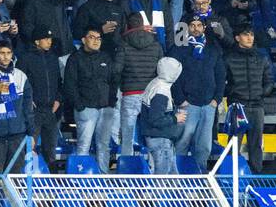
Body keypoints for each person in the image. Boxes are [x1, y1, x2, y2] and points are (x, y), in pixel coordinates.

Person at [167, 13, 224, 170]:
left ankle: (199, 178)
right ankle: (176, 178)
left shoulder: (213, 49)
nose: (196, 28)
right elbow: (172, 76)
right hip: (187, 104)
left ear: (204, 28)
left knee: (204, 146)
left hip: (208, 105)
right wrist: (180, 100)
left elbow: (221, 75)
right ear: (187, 28)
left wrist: (216, 100)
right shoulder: (178, 49)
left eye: (199, 26)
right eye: (192, 25)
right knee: (182, 142)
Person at [63, 27, 119, 172]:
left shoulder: (105, 57)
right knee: (84, 145)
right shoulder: (75, 58)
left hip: (106, 108)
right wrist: (79, 105)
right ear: (83, 40)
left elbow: (114, 81)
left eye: (99, 38)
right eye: (92, 37)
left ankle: (103, 179)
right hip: (86, 108)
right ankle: (81, 181)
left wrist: (111, 102)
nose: (96, 41)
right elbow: (70, 84)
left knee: (104, 145)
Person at [223, 24, 274, 173]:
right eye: (246, 35)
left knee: (256, 145)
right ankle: (230, 176)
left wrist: (261, 93)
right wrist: (233, 93)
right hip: (238, 107)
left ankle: (255, 178)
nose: (249, 38)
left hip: (257, 106)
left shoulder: (262, 57)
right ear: (237, 37)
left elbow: (269, 81)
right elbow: (222, 81)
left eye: (251, 34)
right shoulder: (228, 58)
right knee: (233, 144)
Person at [0, 40, 33, 173]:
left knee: (15, 179)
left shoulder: (21, 76)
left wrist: (31, 134)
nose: (6, 56)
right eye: (2, 53)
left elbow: (28, 109)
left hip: (17, 136)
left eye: (8, 53)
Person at [116, 13, 163, 158]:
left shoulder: (123, 45)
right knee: (152, 136)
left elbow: (117, 70)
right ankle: (153, 171)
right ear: (143, 24)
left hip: (130, 94)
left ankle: (126, 174)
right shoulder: (156, 45)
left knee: (127, 137)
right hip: (150, 95)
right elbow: (161, 70)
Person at [17, 28, 62, 168]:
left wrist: (58, 99)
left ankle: (52, 184)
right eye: (46, 39)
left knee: (51, 149)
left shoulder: (53, 58)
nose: (49, 41)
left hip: (50, 110)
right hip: (33, 112)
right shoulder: (25, 58)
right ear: (37, 41)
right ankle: (25, 181)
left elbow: (59, 82)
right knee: (29, 147)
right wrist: (27, 101)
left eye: (50, 39)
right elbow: (19, 82)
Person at [139, 57, 186, 175]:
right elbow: (155, 119)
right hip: (160, 139)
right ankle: (153, 194)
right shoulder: (161, 91)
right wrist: (176, 118)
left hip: (160, 138)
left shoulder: (156, 83)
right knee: (162, 176)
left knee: (172, 176)